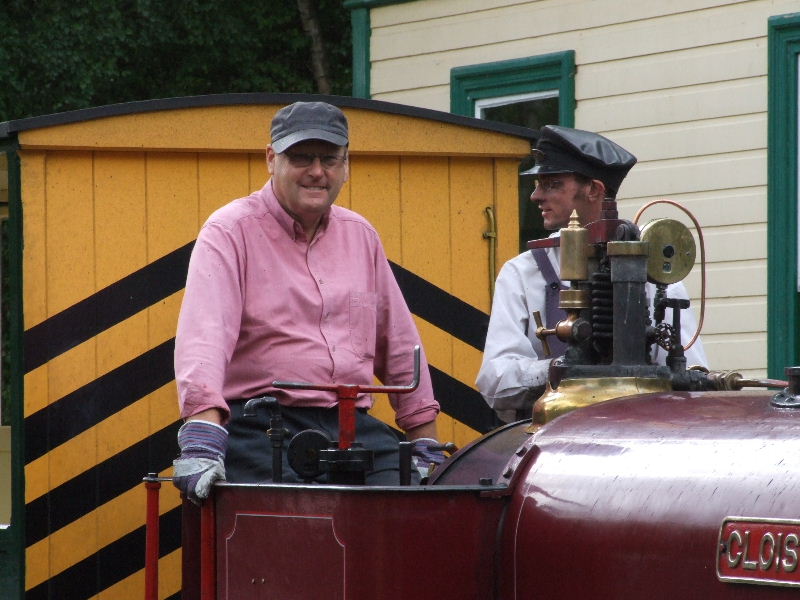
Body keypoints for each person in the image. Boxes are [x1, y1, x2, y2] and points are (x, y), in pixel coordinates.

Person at [172, 101, 443, 502]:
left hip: (354, 426)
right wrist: (203, 436)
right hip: (263, 426)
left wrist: (426, 444)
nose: (317, 171)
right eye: (300, 157)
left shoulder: (361, 235)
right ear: (271, 159)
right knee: (295, 528)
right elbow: (205, 337)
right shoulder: (230, 231)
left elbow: (401, 345)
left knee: (414, 504)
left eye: (330, 158)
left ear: (346, 165)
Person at [476, 125, 708, 423]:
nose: (535, 195)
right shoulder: (522, 273)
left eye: (551, 184)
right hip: (549, 442)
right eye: (537, 184)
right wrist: (560, 368)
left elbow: (690, 378)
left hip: (639, 433)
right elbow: (495, 382)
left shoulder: (658, 276)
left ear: (595, 190)